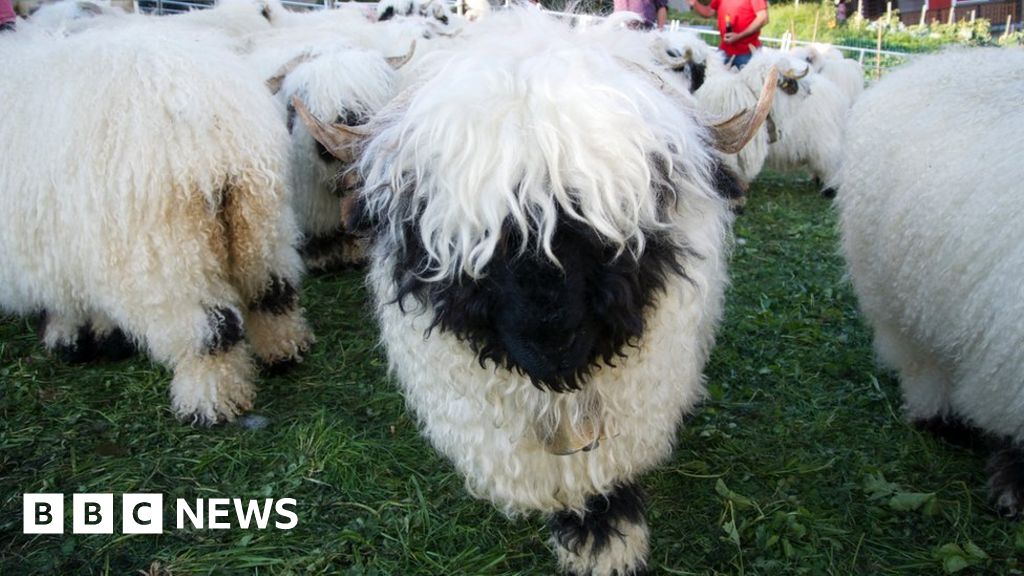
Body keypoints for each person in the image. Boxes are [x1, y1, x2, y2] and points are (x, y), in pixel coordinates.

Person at [688, 0, 768, 68]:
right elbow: (709, 12)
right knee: (716, 82)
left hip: (747, 53)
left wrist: (739, 36)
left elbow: (763, 18)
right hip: (724, 51)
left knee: (744, 85)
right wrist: (694, 2)